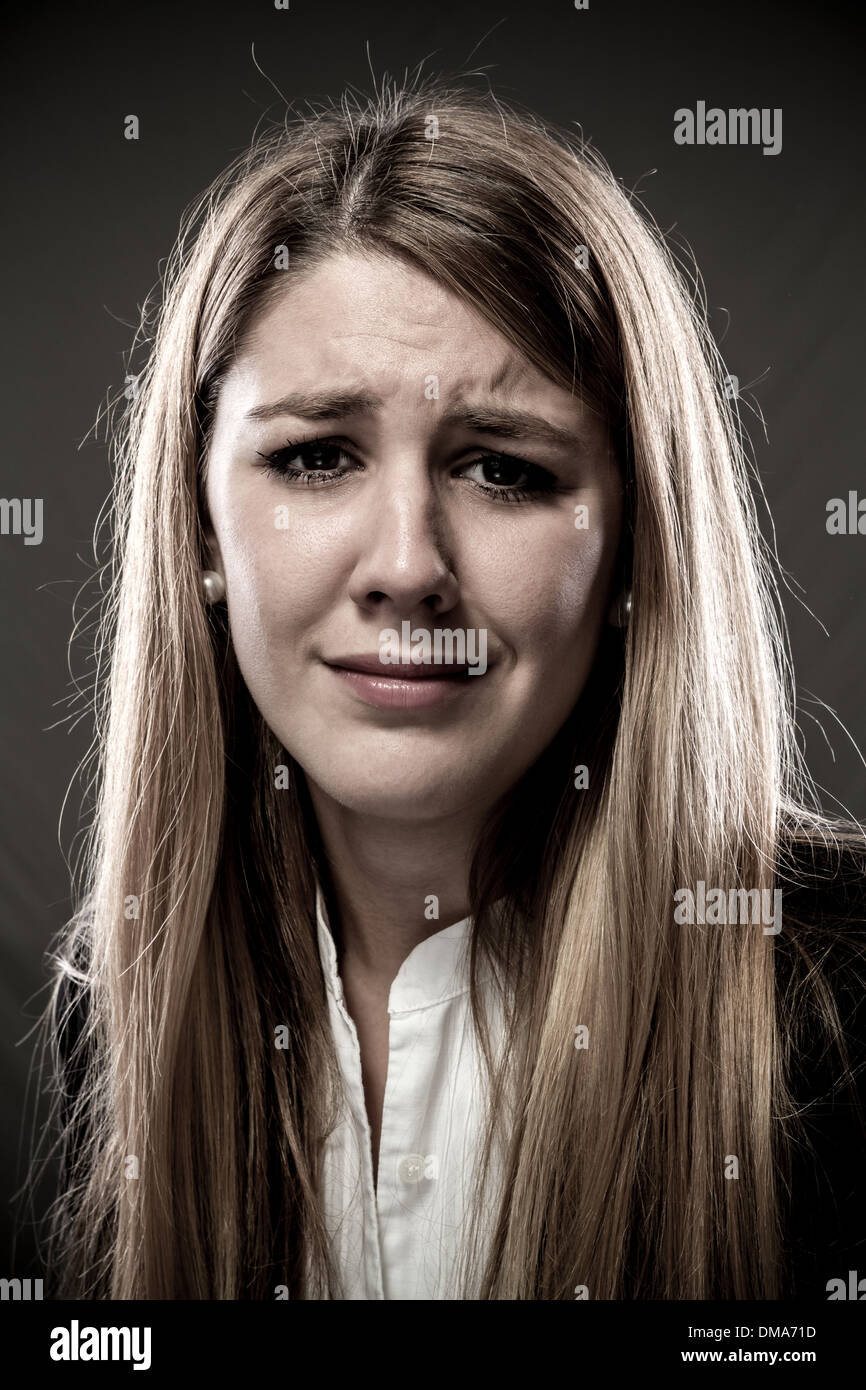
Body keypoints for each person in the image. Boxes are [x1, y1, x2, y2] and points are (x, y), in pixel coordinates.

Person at [41, 73, 866, 1300]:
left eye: (502, 470)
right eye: (317, 457)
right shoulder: (114, 1018)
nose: (407, 567)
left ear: (637, 544)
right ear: (200, 532)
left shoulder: (839, 1008)